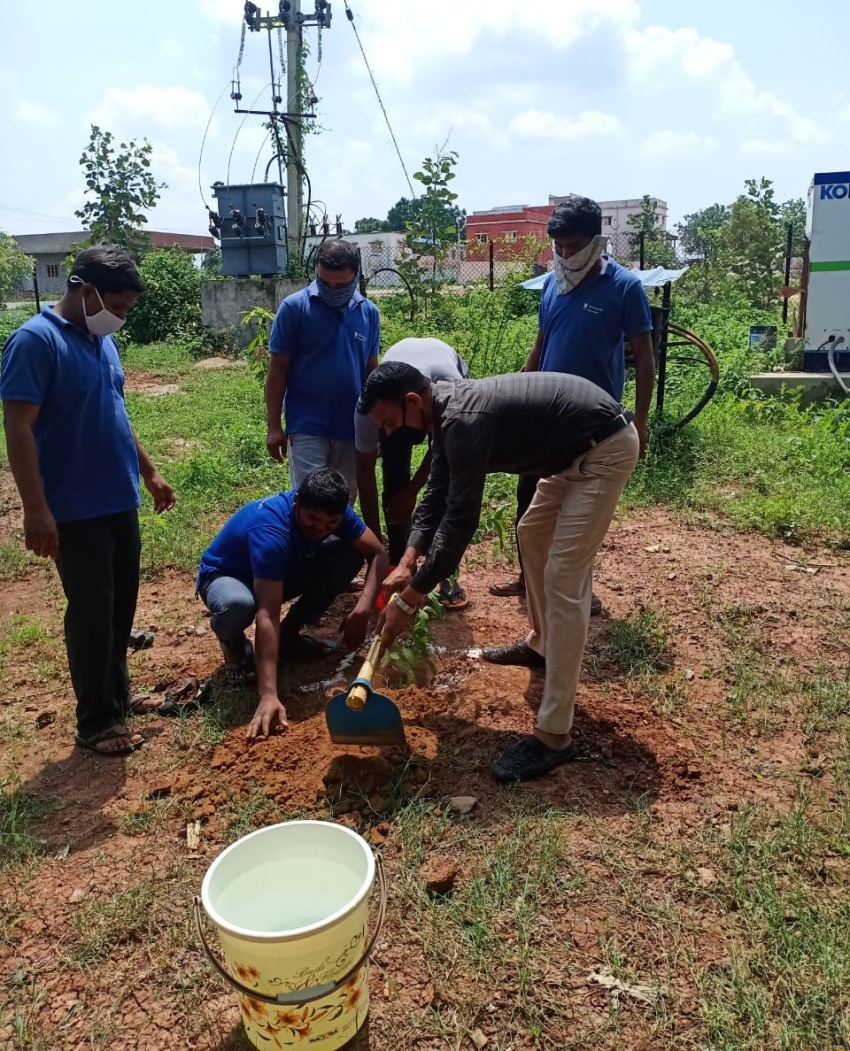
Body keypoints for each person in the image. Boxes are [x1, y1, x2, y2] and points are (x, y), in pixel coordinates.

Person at [360, 362, 639, 783]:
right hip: (570, 453)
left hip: (602, 449)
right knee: (531, 534)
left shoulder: (462, 420)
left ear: (413, 401)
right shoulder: (443, 412)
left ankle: (554, 737)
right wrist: (406, 561)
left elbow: (459, 521)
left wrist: (410, 599)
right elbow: (437, 490)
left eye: (390, 421)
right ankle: (542, 643)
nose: (389, 434)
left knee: (564, 576)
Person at [0, 245, 175, 756]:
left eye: (125, 309)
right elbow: (18, 427)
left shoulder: (102, 342)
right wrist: (36, 508)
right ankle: (95, 720)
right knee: (92, 612)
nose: (119, 317)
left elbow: (113, 410)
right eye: (115, 306)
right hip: (75, 507)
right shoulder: (35, 342)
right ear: (82, 288)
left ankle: (115, 698)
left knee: (120, 606)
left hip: (118, 495)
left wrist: (150, 471)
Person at [490, 196, 654, 601]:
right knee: (529, 497)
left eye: (573, 246)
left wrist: (642, 420)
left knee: (578, 509)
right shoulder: (552, 284)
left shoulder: (624, 287)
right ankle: (528, 578)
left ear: (596, 241)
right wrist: (521, 386)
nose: (565, 255)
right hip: (545, 414)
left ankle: (581, 588)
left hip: (592, 422)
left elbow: (645, 356)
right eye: (558, 248)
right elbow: (542, 340)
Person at [197, 469, 388, 740]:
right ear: (297, 502)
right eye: (312, 521)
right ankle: (234, 646)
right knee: (238, 605)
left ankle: (290, 635)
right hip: (229, 577)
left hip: (280, 571)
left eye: (330, 524)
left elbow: (378, 552)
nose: (320, 530)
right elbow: (267, 615)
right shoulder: (270, 532)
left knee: (349, 553)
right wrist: (268, 695)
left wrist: (363, 608)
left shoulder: (334, 514)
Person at [355, 336, 469, 610]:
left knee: (448, 492)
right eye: (384, 425)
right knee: (393, 490)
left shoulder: (448, 394)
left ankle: (445, 576)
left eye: (390, 423)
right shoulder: (368, 414)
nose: (388, 432)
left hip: (436, 382)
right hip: (402, 398)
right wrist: (376, 549)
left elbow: (443, 464)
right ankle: (397, 567)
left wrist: (413, 491)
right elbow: (365, 476)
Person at [265, 239, 381, 501]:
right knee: (310, 501)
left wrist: (377, 424)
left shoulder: (368, 313)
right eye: (325, 282)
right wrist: (274, 426)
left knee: (345, 500)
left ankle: (338, 545)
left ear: (355, 276)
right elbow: (277, 370)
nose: (332, 290)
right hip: (307, 425)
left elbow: (372, 371)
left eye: (340, 285)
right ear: (317, 271)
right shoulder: (294, 309)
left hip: (353, 427)